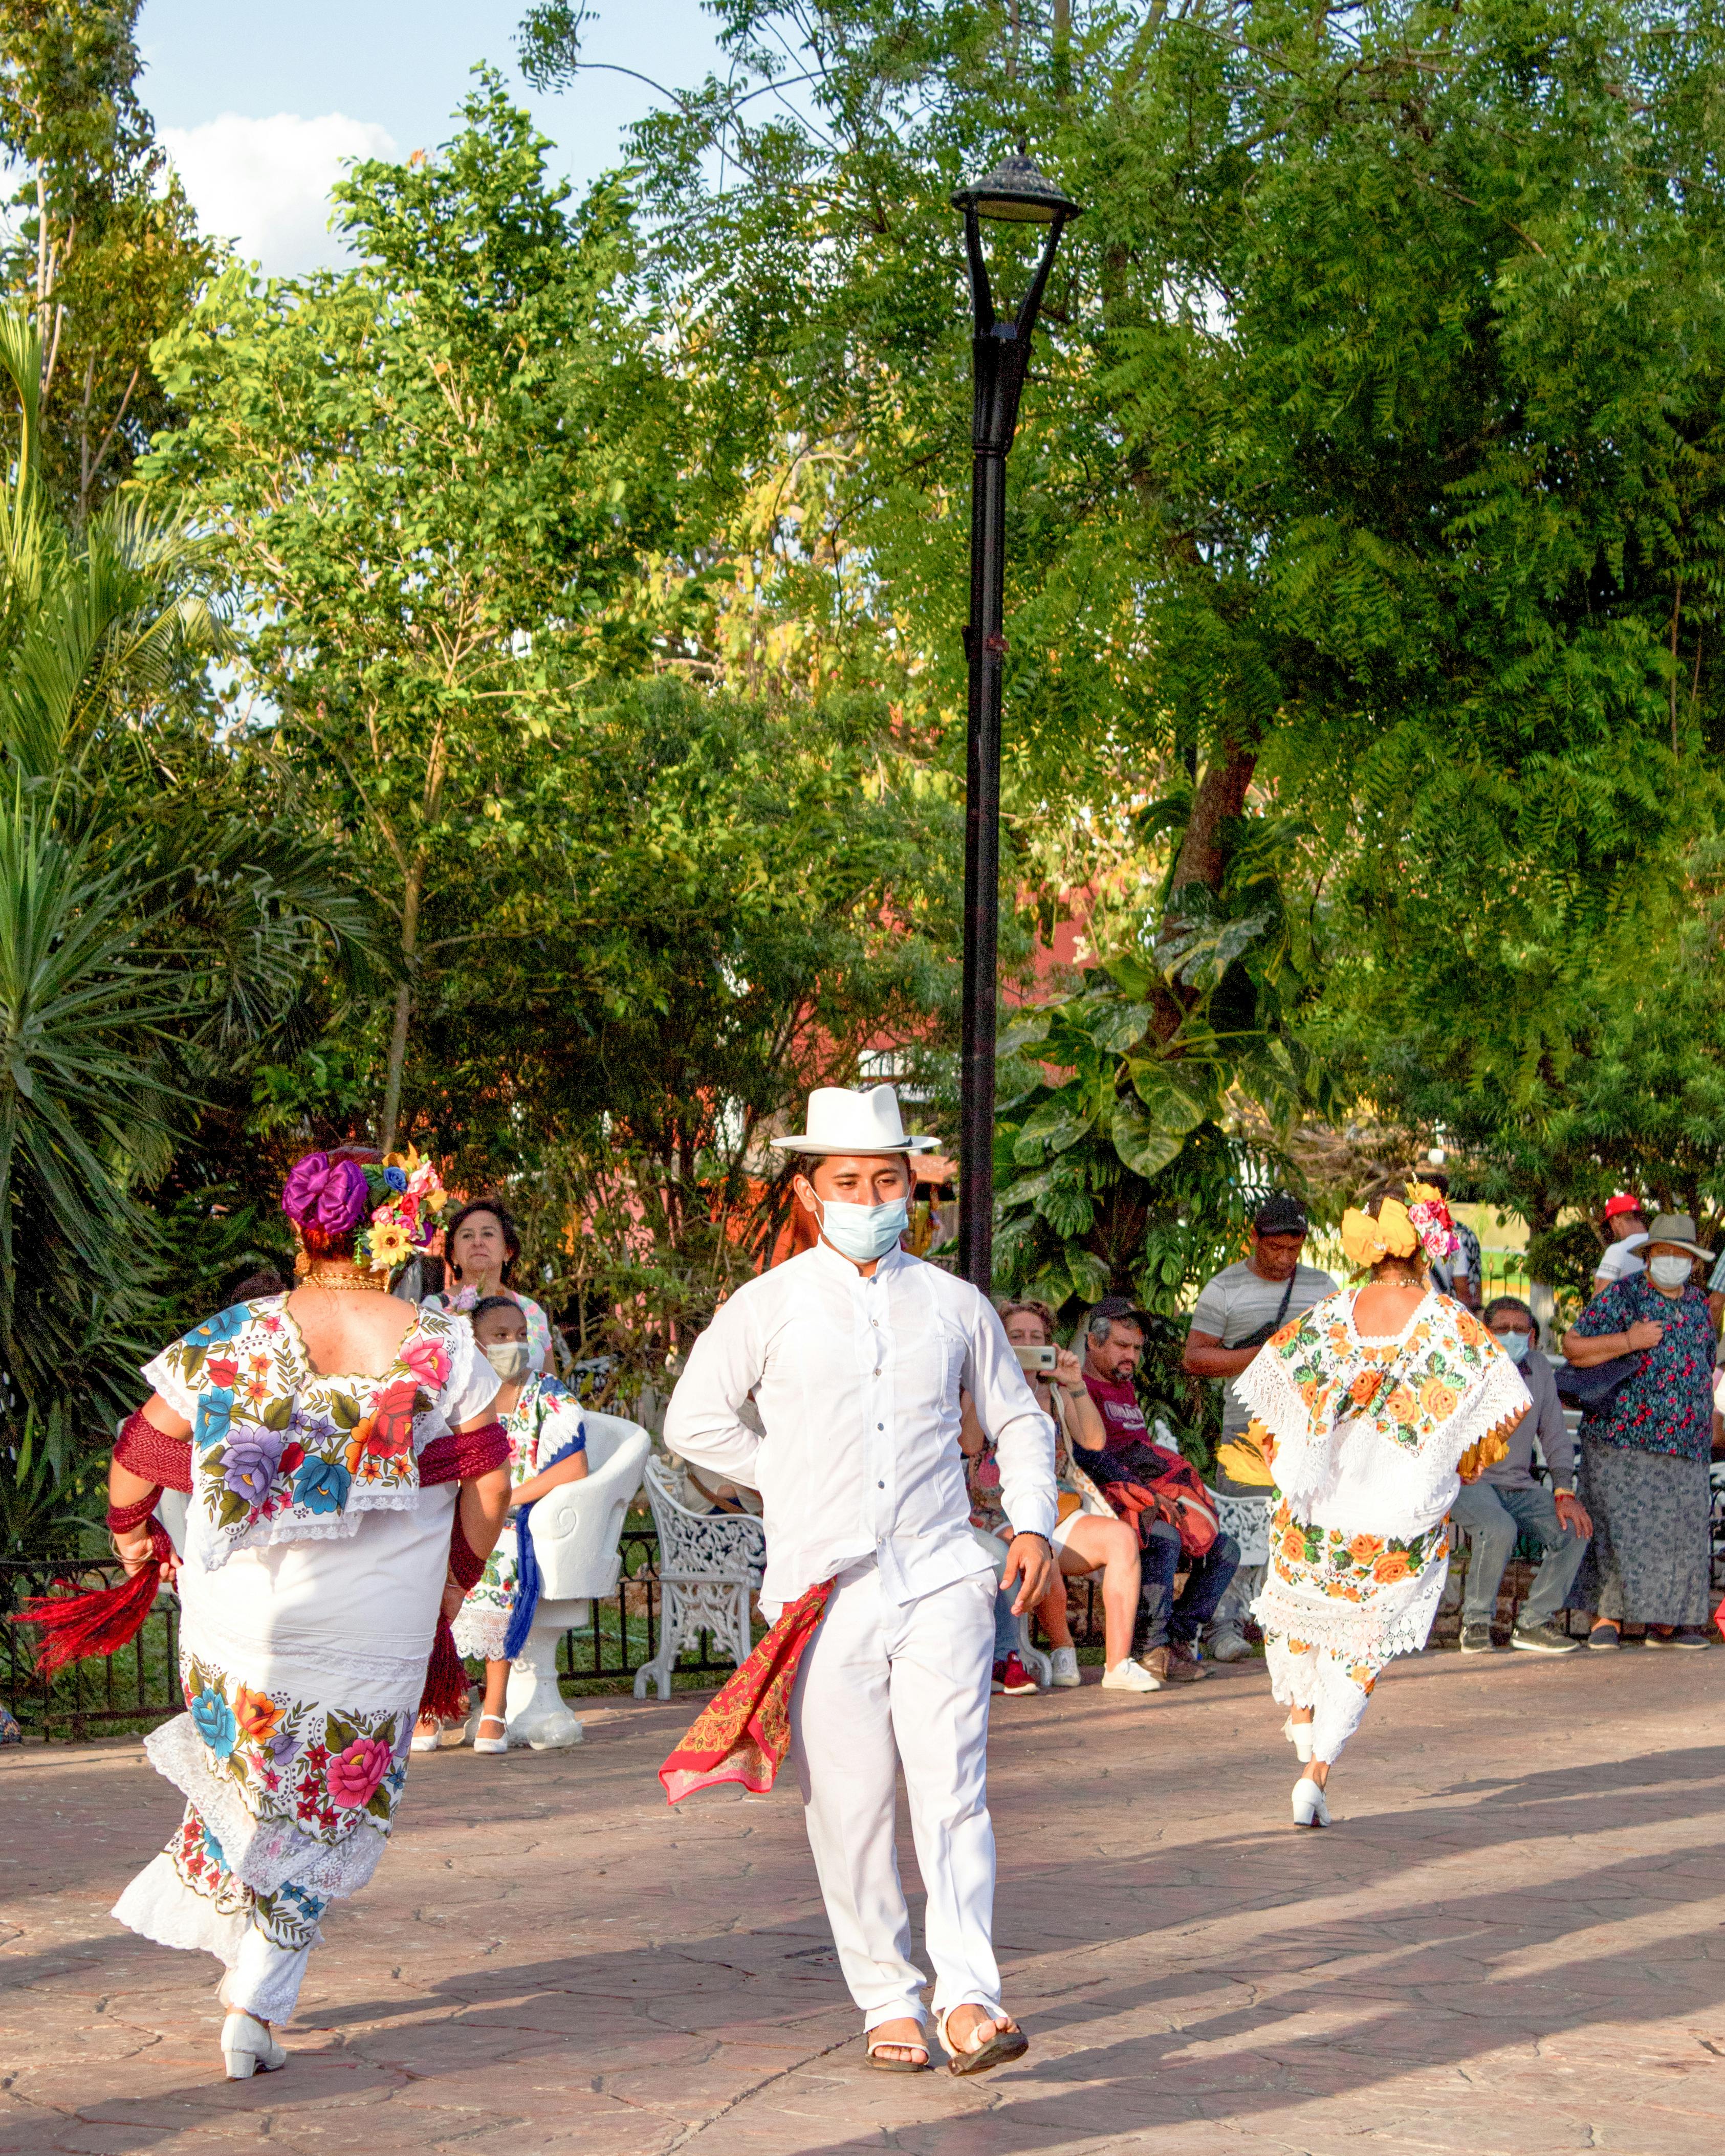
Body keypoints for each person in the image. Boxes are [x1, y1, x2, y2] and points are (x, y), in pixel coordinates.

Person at [662, 1084, 1056, 2077]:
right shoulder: (769, 1306)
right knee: (850, 1803)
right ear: (808, 1191)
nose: (871, 1195)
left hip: (939, 1577)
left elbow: (1014, 1417)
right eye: (849, 1180)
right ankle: (887, 1995)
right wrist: (789, 1473)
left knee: (953, 1790)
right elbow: (694, 1424)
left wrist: (1031, 1520)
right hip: (824, 1588)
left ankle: (969, 1998)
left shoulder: (952, 1304)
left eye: (888, 1179)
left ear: (909, 1188)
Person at [96, 1148, 510, 2078]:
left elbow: (140, 1447)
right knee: (330, 1807)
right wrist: (458, 1578)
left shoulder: (233, 1332)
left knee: (258, 1790)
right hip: (376, 1628)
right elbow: (488, 1478)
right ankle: (255, 1997)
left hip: (241, 1624)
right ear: (386, 1232)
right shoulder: (440, 1342)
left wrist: (131, 1532)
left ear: (299, 1229)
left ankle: (251, 1980)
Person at [1235, 1179, 1528, 1827]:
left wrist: (1296, 1458)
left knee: (1297, 1614)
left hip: (1318, 1508)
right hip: (1396, 1515)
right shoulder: (1448, 1324)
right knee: (1360, 1643)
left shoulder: (1327, 1317)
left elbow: (1267, 1395)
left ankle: (1301, 1721)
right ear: (1426, 1249)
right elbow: (1499, 1411)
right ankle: (1316, 1774)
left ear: (1365, 1250)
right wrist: (1453, 1460)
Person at [962, 1300, 1156, 1696]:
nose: (1026, 1343)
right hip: (998, 1513)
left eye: (1036, 1337)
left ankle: (1118, 1663)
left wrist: (1075, 1384)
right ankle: (1064, 1649)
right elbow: (968, 1443)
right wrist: (979, 1380)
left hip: (1058, 1509)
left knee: (1120, 1538)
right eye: (1016, 1337)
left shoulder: (1054, 1392)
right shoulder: (986, 1387)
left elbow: (1094, 1441)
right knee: (1038, 1549)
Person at [1183, 1195, 1336, 1658]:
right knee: (1241, 1529)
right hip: (1246, 1432)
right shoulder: (1225, 1288)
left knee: (1301, 1528)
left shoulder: (1322, 1285)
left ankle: (1285, 1627)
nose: (1285, 1259)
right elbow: (1195, 1357)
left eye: (1294, 1249)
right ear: (1255, 1239)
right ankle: (1221, 1626)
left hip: (1307, 1432)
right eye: (1275, 1248)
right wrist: (1262, 1357)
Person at [1562, 1212, 1716, 1651]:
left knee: (1678, 1535)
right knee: (1618, 1531)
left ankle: (1668, 1623)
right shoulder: (1622, 1297)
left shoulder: (1697, 1305)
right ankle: (1604, 1619)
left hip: (1685, 1442)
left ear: (1693, 1261)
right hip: (1621, 1438)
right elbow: (1573, 1347)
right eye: (1664, 1252)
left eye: (1681, 1255)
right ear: (1648, 1256)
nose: (1672, 1260)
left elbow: (1704, 1362)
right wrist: (1628, 1341)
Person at [445, 1299, 590, 1754]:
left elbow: (574, 1469)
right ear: (476, 1345)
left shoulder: (546, 1393)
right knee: (426, 1561)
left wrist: (507, 1499)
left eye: (520, 1335)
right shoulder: (462, 1395)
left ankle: (494, 1709)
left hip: (514, 1520)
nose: (513, 1345)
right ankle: (435, 1704)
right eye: (500, 1336)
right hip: (458, 1513)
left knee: (498, 1557)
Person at [1078, 1303, 1239, 1683]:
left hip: (1146, 1493)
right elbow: (1090, 1456)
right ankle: (1149, 1650)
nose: (1131, 1356)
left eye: (1136, 1348)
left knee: (1225, 1549)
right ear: (1092, 1342)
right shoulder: (1081, 1389)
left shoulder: (1123, 1386)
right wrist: (1146, 1496)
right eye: (1121, 1346)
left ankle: (1178, 1643)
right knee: (1161, 1535)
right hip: (1107, 1498)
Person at [1450, 1297, 1591, 1654]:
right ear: (1485, 1331)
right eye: (1502, 1329)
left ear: (1531, 1337)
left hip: (1518, 1485)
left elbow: (1556, 1436)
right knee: (1498, 1529)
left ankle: (1533, 1622)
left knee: (1575, 1529)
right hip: (1471, 1481)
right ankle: (1476, 1623)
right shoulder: (1465, 1363)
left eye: (1520, 1330)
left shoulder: (1539, 1368)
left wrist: (1564, 1492)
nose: (1511, 1335)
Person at [422, 1196, 555, 1373]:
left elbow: (552, 1388)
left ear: (508, 1251)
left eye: (488, 1234)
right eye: (467, 1236)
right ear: (453, 1255)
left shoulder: (531, 1311)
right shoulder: (434, 1310)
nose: (477, 1242)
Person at [1593, 1195, 1649, 1295]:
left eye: (1610, 1223)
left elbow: (1600, 1298)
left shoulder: (1617, 1251)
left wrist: (1598, 1283)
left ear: (1616, 1220)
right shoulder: (1660, 1245)